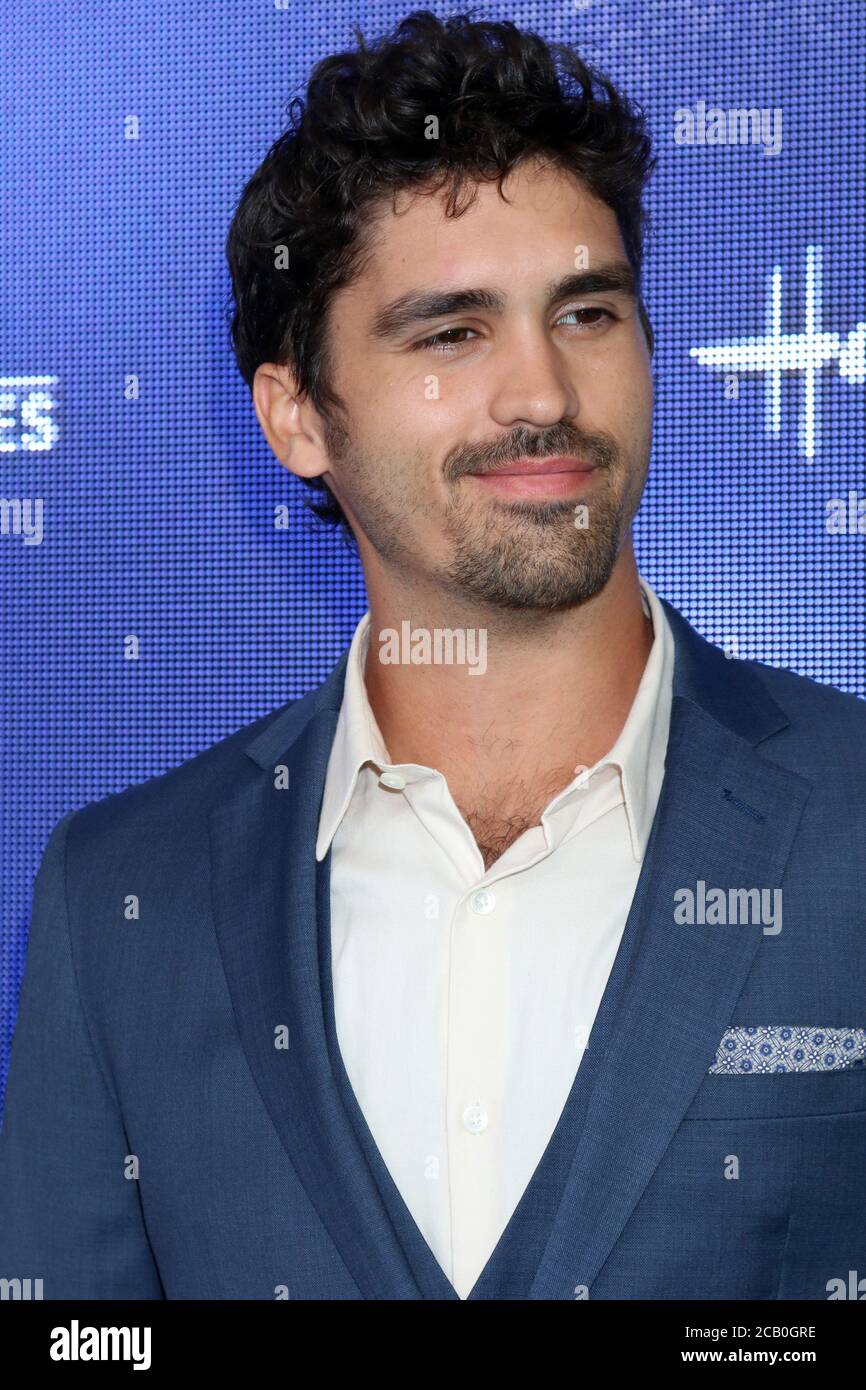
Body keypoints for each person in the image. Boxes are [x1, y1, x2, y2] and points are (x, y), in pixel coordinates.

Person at [1, 10, 864, 1301]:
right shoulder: (125, 895)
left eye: (583, 312)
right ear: (297, 415)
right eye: (450, 332)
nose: (540, 393)